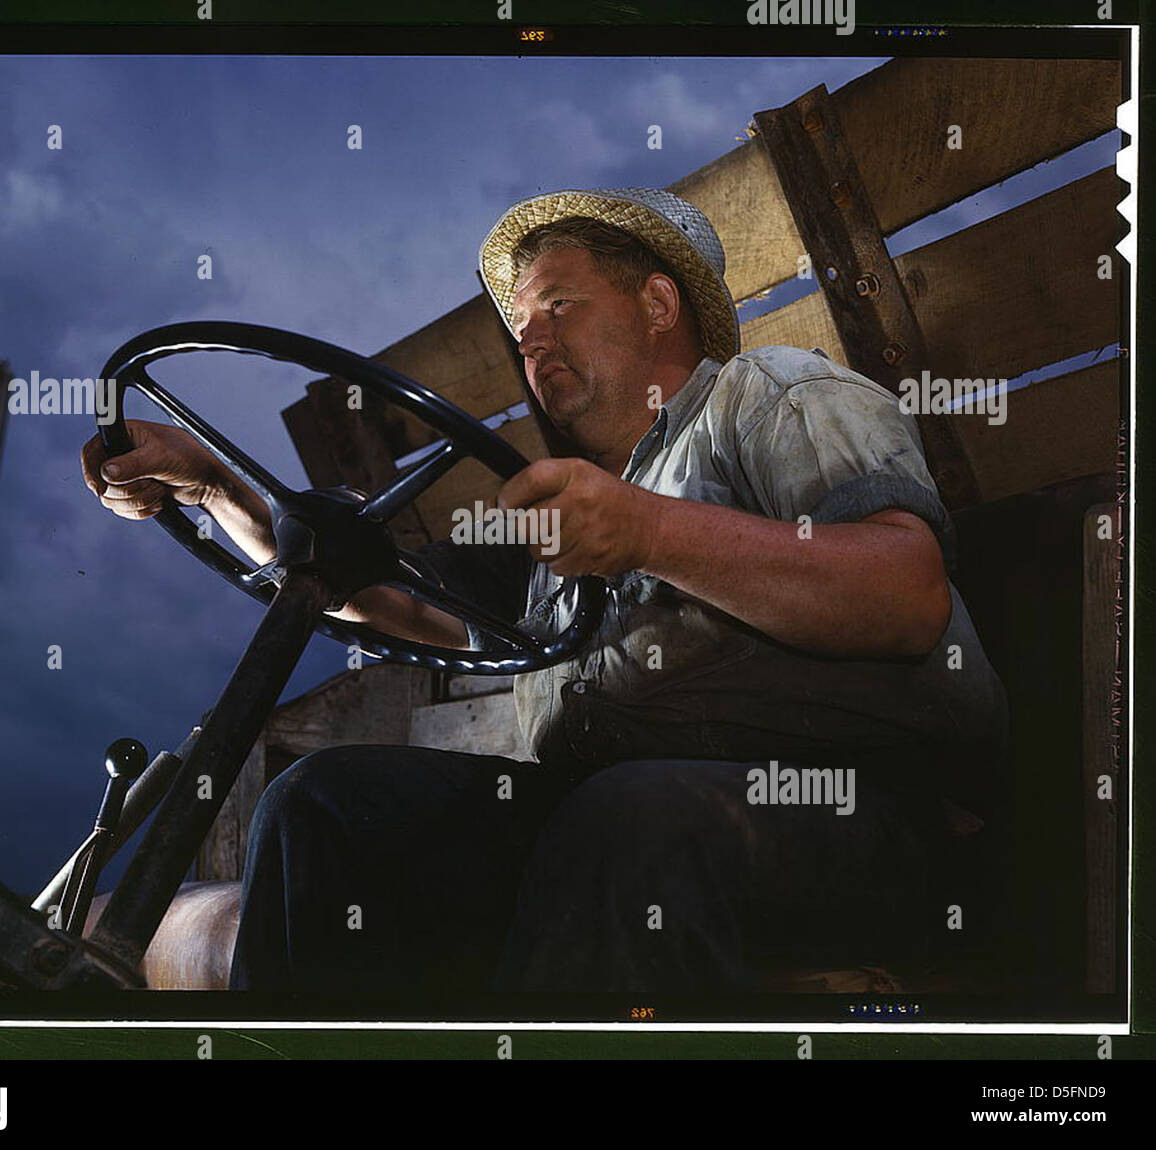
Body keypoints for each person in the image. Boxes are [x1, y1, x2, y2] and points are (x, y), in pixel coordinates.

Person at [82, 187, 1007, 997]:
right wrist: (219, 491)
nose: (532, 341)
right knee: (328, 801)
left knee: (629, 815)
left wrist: (649, 531)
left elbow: (905, 592)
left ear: (656, 303)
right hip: (604, 823)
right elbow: (383, 601)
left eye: (558, 305)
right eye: (520, 329)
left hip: (852, 819)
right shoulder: (566, 525)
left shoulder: (773, 395)